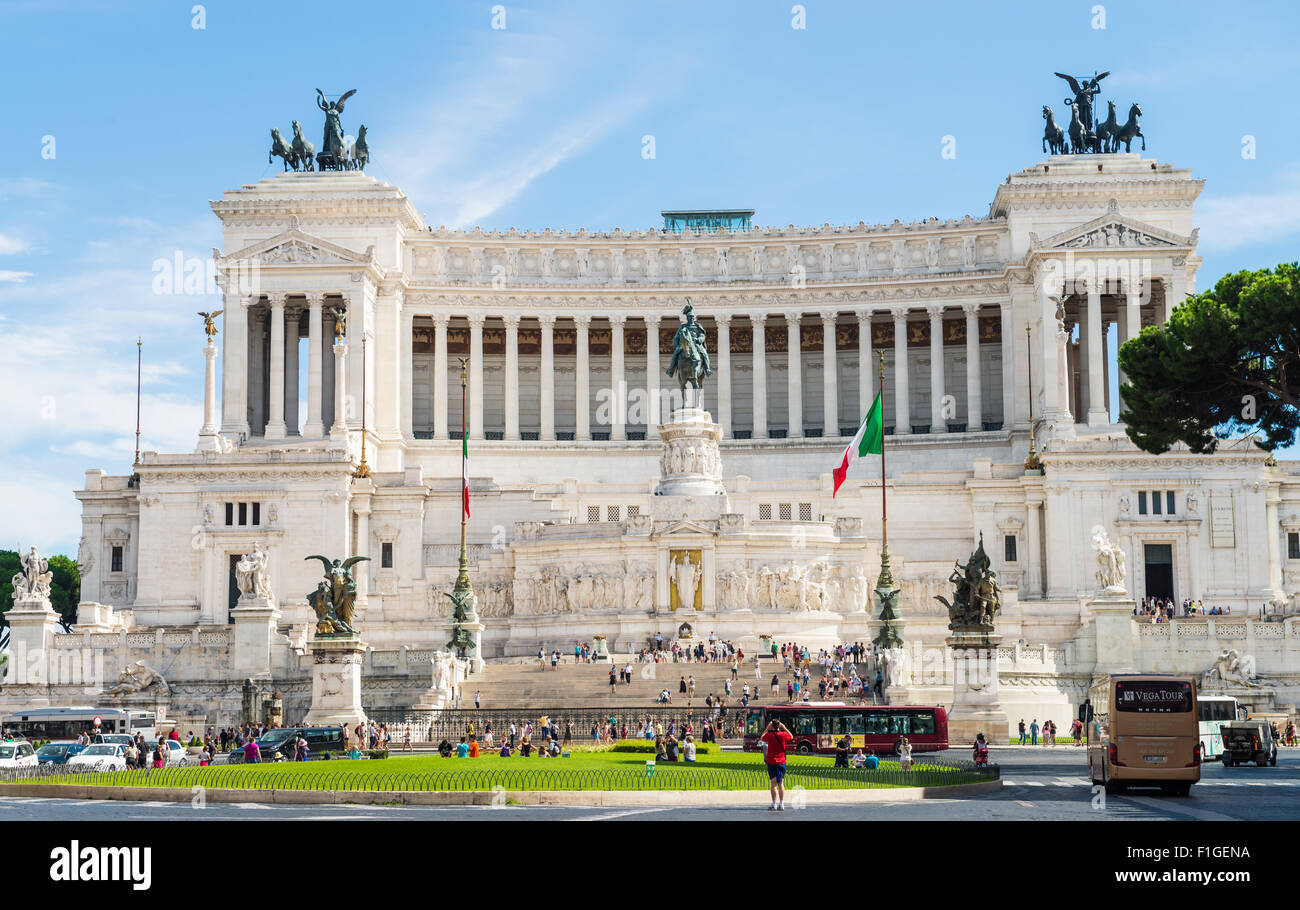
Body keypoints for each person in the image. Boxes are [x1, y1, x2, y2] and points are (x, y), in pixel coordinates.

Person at [760, 719, 794, 811]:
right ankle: (782, 803)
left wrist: (767, 728)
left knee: (773, 783)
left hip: (771, 761)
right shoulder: (783, 735)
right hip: (781, 761)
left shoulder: (769, 735)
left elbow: (762, 737)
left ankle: (774, 803)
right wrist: (784, 727)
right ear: (779, 726)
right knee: (781, 783)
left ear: (772, 726)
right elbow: (791, 736)